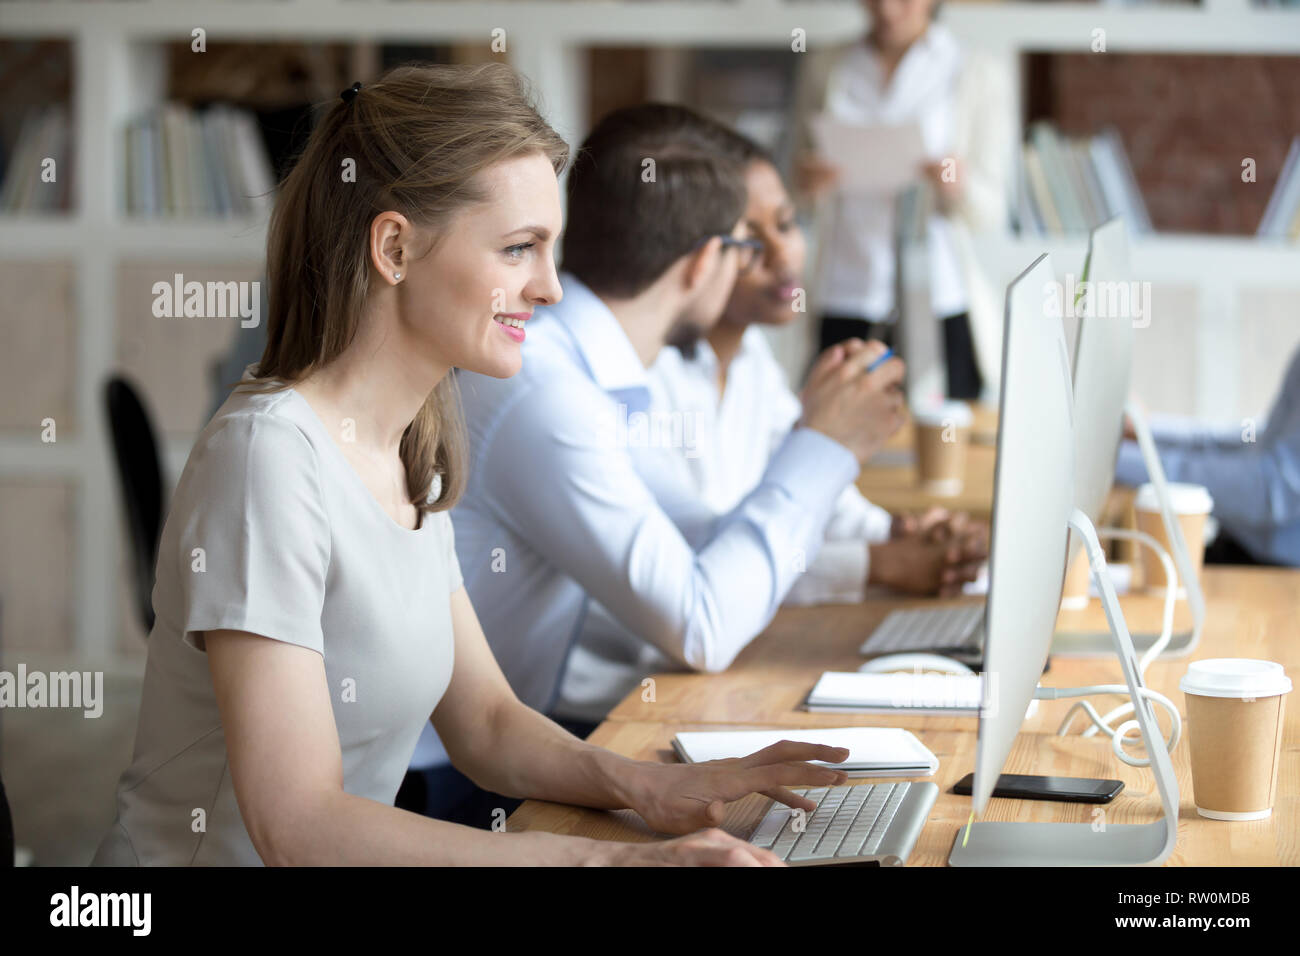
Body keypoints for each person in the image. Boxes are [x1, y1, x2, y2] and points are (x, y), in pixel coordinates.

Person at [91, 65, 854, 867]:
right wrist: (614, 861)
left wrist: (646, 787)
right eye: (519, 249)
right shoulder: (268, 460)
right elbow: (300, 826)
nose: (552, 289)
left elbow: (485, 720)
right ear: (394, 248)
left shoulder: (413, 443)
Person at [403, 102, 925, 825]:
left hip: (511, 745)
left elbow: (701, 540)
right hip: (441, 780)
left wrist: (824, 457)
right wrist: (824, 447)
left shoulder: (605, 373)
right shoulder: (546, 392)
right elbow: (703, 624)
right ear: (709, 260)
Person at [649, 130, 987, 606]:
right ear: (701, 253)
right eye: (750, 240)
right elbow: (714, 564)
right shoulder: (651, 380)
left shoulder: (753, 361)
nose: (783, 255)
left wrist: (901, 532)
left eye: (786, 225)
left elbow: (816, 494)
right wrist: (885, 563)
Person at [792, 0, 1014, 399]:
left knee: (940, 431)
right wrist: (808, 182)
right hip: (846, 287)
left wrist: (954, 181)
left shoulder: (974, 71)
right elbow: (793, 189)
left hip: (937, 291)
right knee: (836, 426)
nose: (888, 9)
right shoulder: (827, 65)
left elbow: (990, 212)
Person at [1117, 343, 1300, 567]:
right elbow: (1252, 441)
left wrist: (1115, 459)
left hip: (1279, 575)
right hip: (1245, 550)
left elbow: (1272, 491)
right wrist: (1144, 428)